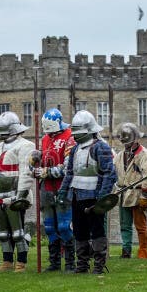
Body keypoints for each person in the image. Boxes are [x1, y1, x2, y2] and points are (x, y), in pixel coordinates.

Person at [58, 110, 117, 274]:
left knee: (97, 230)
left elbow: (109, 174)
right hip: (77, 195)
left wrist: (103, 197)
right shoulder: (75, 149)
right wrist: (63, 191)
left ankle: (98, 264)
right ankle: (82, 263)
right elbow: (70, 172)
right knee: (79, 230)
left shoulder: (101, 147)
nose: (75, 136)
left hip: (94, 196)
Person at [0, 112, 36, 272]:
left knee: (17, 231)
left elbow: (26, 172)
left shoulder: (26, 146)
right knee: (3, 232)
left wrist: (21, 195)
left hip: (15, 194)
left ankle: (21, 262)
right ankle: (7, 260)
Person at [32, 108, 77, 272]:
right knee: (50, 227)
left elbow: (68, 166)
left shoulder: (69, 137)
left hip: (63, 187)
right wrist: (35, 164)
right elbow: (40, 162)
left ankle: (71, 261)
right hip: (46, 189)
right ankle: (54, 262)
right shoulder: (44, 139)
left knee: (65, 226)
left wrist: (47, 172)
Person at [114, 123, 147, 259]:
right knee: (125, 225)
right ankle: (126, 250)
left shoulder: (144, 155)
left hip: (138, 194)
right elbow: (113, 171)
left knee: (140, 225)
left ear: (136, 140)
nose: (126, 145)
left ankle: (143, 250)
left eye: (129, 142)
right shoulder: (120, 156)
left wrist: (146, 196)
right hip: (123, 193)